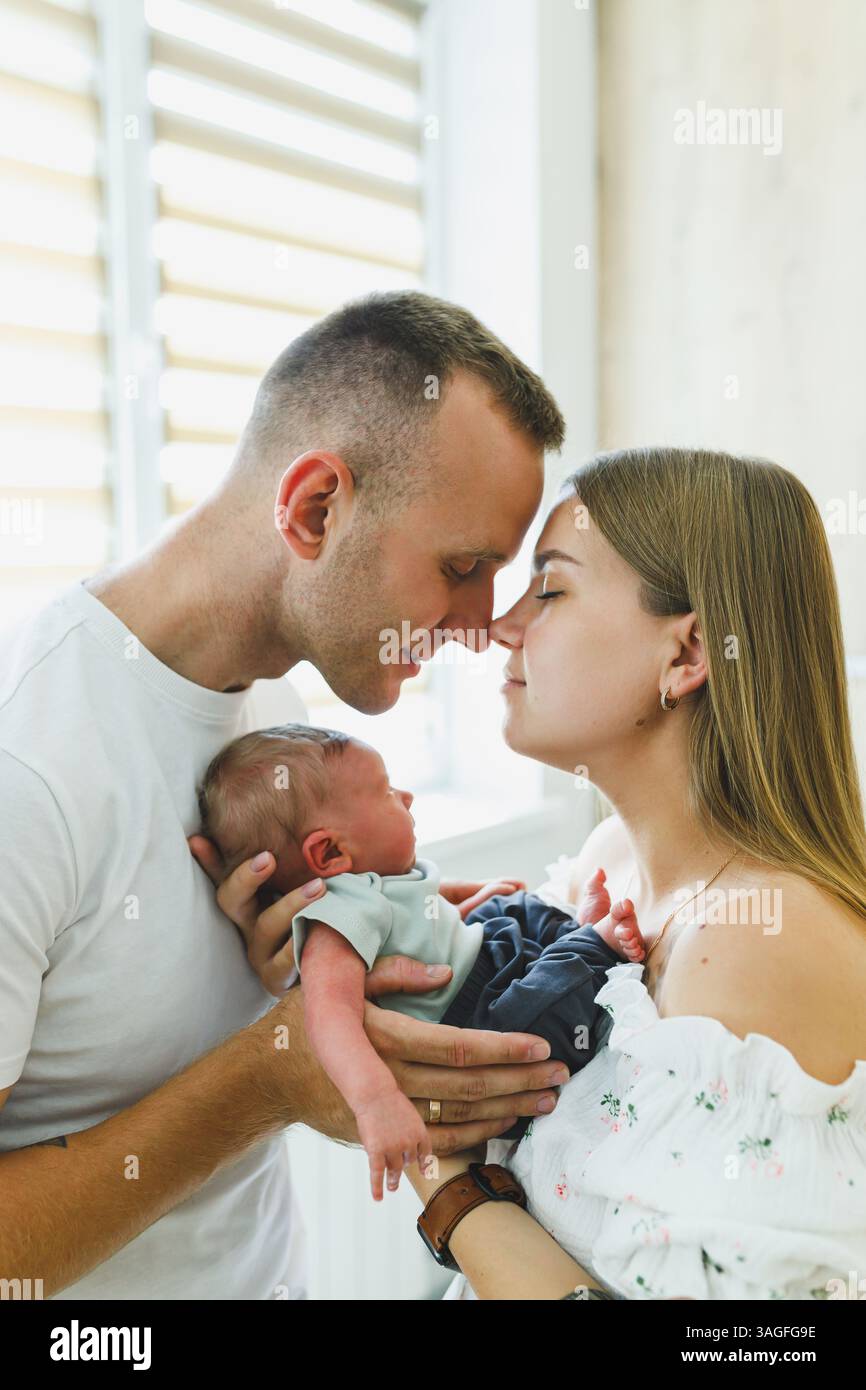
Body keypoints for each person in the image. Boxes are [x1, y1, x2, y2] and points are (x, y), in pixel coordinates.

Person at [0, 290, 570, 1300]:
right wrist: (265, 1077)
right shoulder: (28, 768)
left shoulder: (273, 705)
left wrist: (368, 951)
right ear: (315, 508)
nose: (486, 622)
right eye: (462, 566)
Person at [403, 447, 866, 1301]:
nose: (499, 626)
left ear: (688, 654)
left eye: (550, 589)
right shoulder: (610, 861)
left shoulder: (756, 946)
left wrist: (441, 1174)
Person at [196, 723, 645, 1199]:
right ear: (329, 852)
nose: (406, 797)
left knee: (509, 907)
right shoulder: (336, 916)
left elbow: (426, 936)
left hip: (476, 959)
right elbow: (328, 1015)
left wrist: (469, 909)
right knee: (536, 1022)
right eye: (386, 791)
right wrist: (375, 1101)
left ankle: (575, 930)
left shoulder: (378, 883)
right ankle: (595, 943)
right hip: (471, 1017)